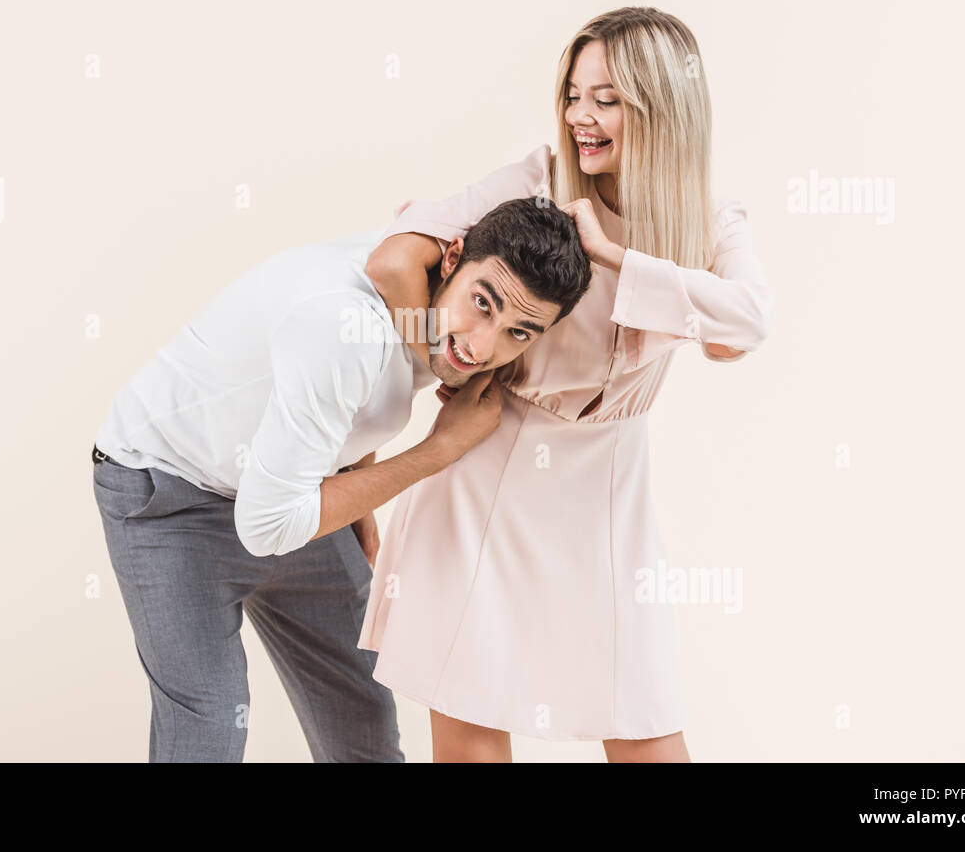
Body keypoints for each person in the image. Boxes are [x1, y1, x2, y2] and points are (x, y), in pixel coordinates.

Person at [359, 6, 775, 762]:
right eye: (575, 94)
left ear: (662, 107)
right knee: (472, 721)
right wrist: (444, 364)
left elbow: (746, 325)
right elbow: (396, 257)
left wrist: (613, 257)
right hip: (484, 472)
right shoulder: (536, 179)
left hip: (609, 493)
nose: (581, 116)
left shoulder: (709, 218)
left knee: (643, 723)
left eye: (607, 99)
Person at [91, 197, 592, 762]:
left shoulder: (425, 294)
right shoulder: (345, 327)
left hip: (287, 489)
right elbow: (266, 525)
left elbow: (353, 400)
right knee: (209, 727)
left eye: (518, 332)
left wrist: (359, 485)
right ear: (451, 256)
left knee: (363, 718)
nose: (481, 345)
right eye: (483, 304)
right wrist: (439, 448)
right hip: (168, 492)